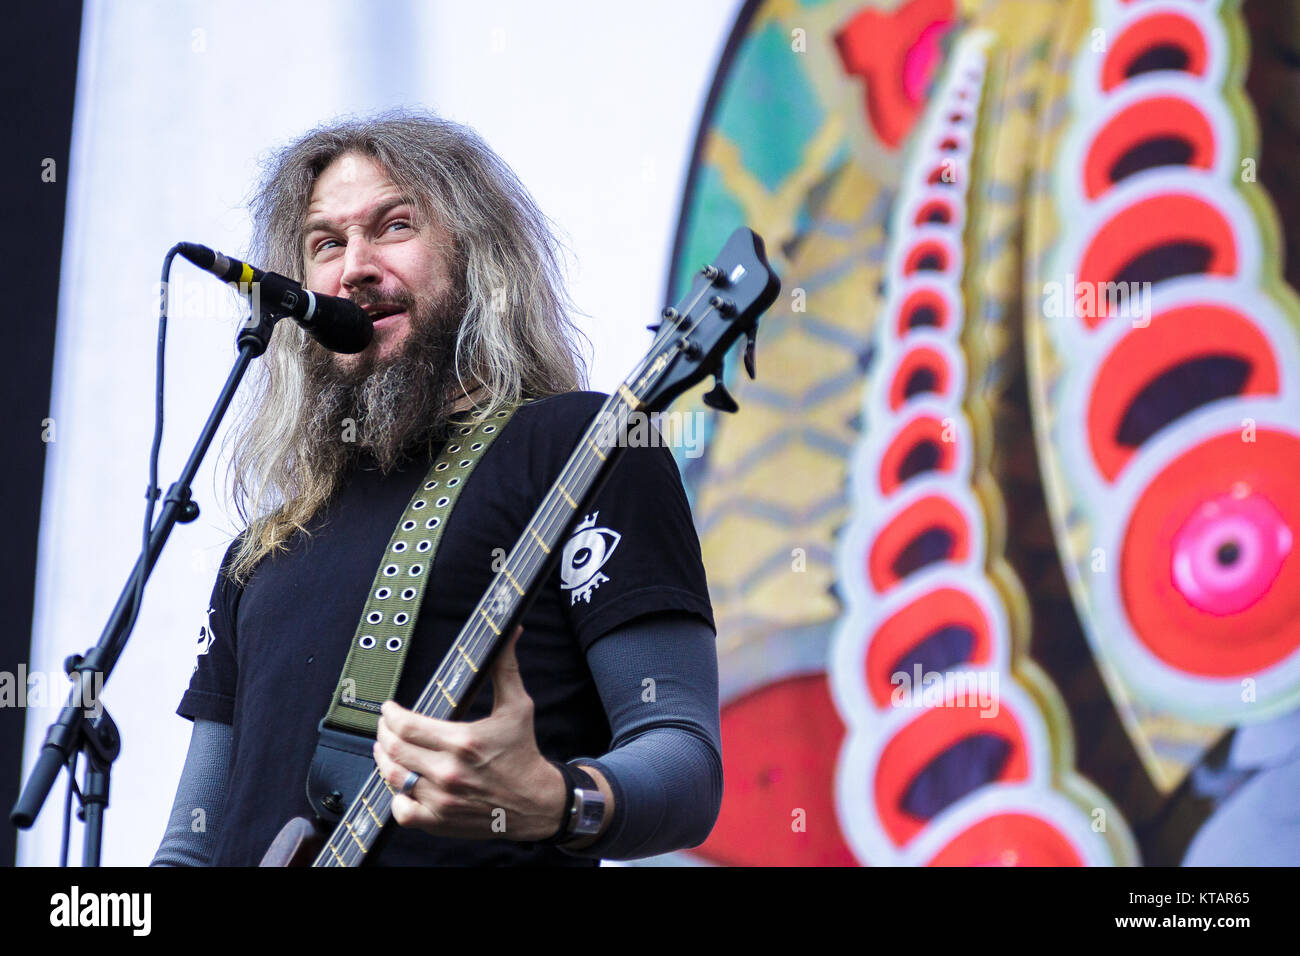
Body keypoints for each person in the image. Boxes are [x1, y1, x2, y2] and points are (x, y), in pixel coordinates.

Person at [151, 111, 722, 866]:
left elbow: (682, 755)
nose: (353, 266)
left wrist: (559, 800)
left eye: (392, 227)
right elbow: (191, 846)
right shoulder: (262, 552)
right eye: (326, 243)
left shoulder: (580, 446)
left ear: (478, 252)